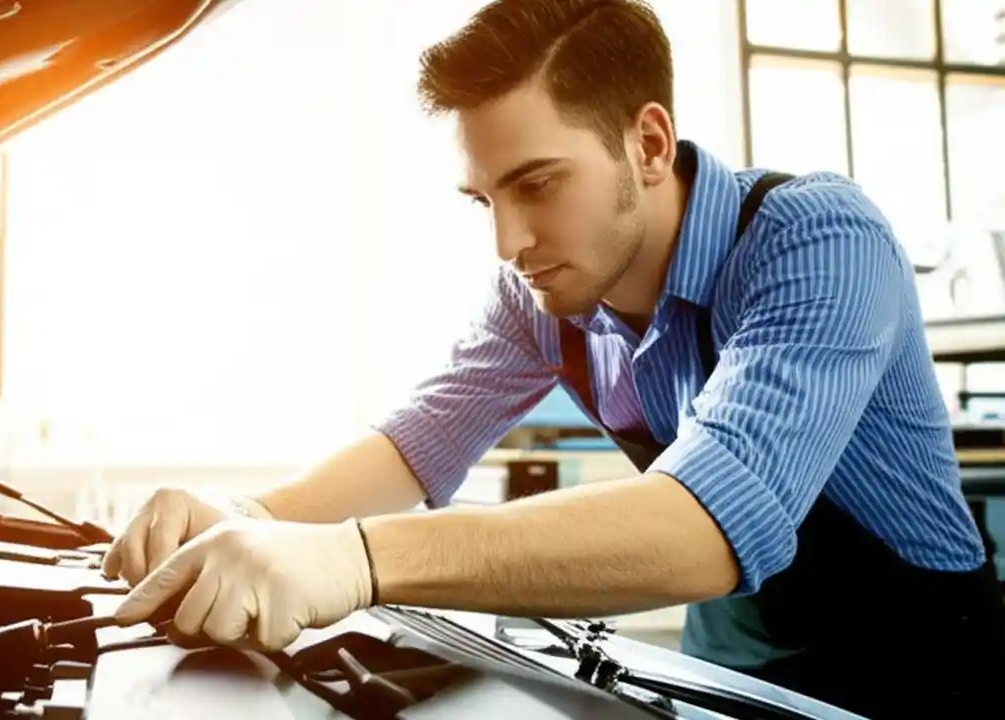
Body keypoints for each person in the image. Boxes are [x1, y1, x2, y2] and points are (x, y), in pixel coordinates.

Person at [102, 1, 1005, 716]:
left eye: (536, 185)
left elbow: (706, 527)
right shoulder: (545, 291)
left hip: (922, 673)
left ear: (648, 144)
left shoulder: (816, 238)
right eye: (483, 199)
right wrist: (244, 519)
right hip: (734, 667)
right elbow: (415, 446)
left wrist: (353, 559)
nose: (509, 240)